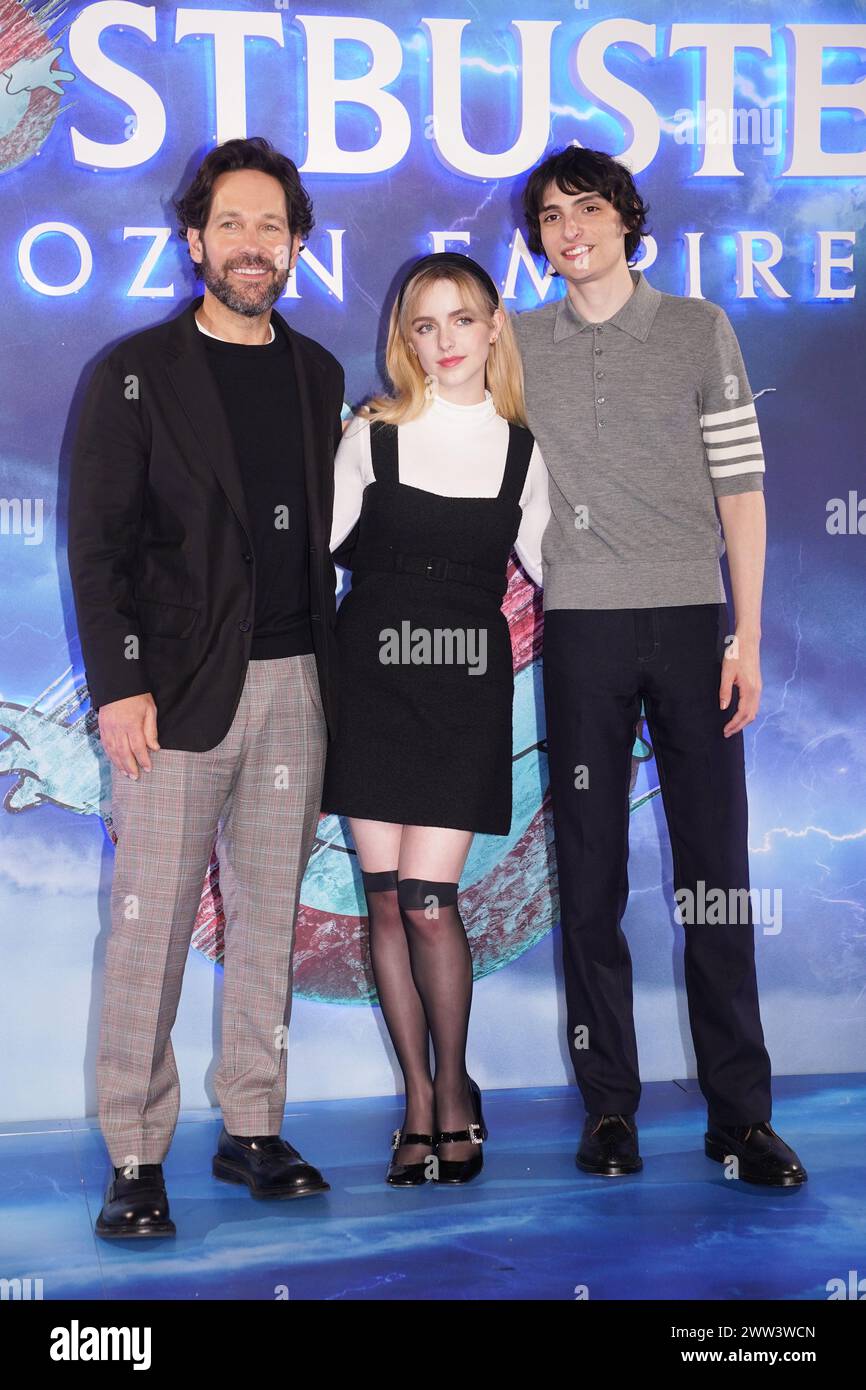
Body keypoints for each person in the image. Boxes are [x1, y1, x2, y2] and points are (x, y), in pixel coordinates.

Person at [67, 137, 345, 1238]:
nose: (251, 244)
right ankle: (136, 1157)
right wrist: (119, 685)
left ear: (294, 246)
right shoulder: (134, 373)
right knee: (149, 930)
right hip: (173, 692)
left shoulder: (317, 374)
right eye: (230, 223)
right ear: (193, 241)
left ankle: (252, 1127)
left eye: (270, 226)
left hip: (295, 687)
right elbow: (97, 547)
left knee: (269, 922)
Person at [513, 146, 806, 1187]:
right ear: (537, 239)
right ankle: (608, 1113)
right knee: (587, 883)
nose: (567, 228)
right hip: (580, 629)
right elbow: (448, 433)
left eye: (585, 207)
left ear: (624, 220)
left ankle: (740, 1116)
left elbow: (742, 490)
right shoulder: (515, 343)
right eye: (549, 215)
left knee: (713, 881)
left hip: (690, 626)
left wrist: (746, 636)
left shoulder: (695, 328)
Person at [323, 252, 549, 1185]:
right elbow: (317, 550)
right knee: (383, 898)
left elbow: (559, 575)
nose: (446, 339)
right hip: (370, 682)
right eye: (427, 324)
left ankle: (455, 1087)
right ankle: (417, 1102)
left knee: (427, 904)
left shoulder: (522, 451)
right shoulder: (368, 438)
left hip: (462, 691)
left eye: (463, 319)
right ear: (405, 340)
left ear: (494, 327)